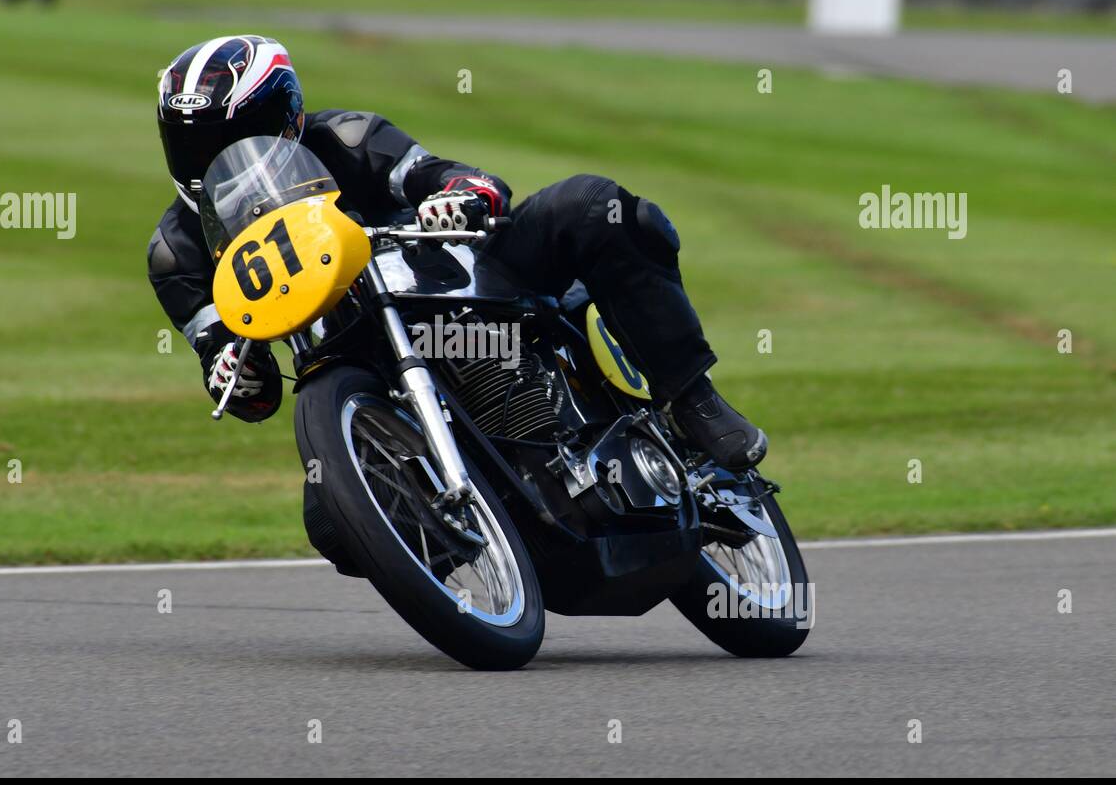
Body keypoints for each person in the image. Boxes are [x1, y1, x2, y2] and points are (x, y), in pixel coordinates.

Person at [147, 35, 766, 470]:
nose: (211, 159)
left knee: (591, 205)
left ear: (284, 116)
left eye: (230, 137)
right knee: (333, 531)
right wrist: (237, 373)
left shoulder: (348, 138)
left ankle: (691, 400)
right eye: (190, 143)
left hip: (459, 282)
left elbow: (459, 178)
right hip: (357, 361)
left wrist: (461, 196)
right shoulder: (176, 253)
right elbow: (246, 388)